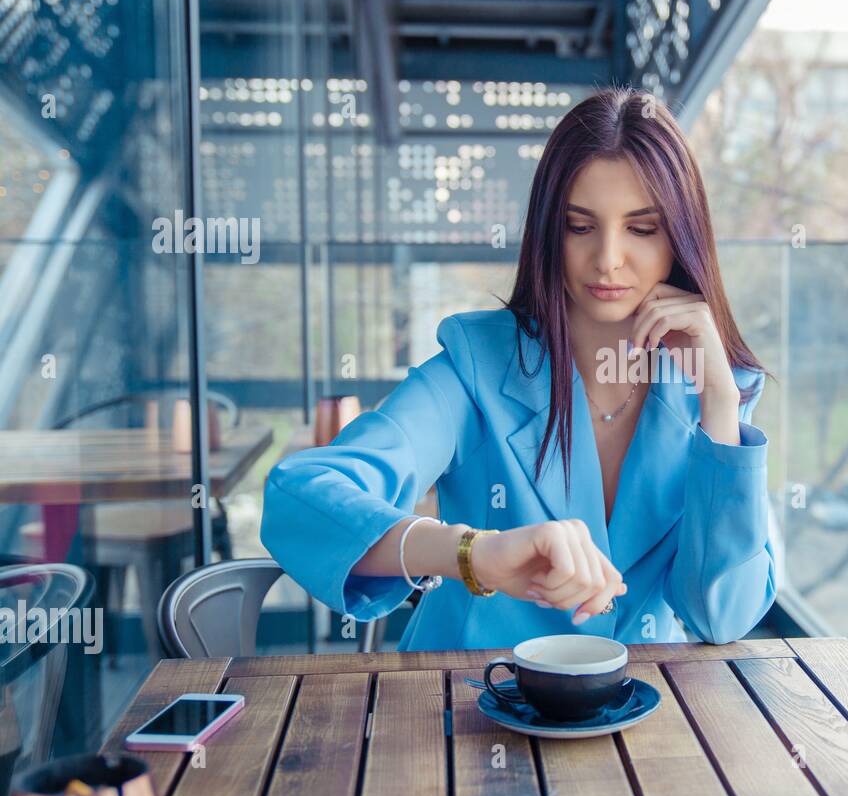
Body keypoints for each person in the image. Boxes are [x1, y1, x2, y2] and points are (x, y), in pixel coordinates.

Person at [260, 87, 776, 651]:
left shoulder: (710, 394)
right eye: (580, 226)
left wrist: (721, 408)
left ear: (680, 239)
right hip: (459, 708)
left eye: (641, 228)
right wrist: (472, 553)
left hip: (638, 718)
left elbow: (722, 617)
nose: (607, 258)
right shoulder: (477, 365)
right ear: (548, 234)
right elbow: (301, 495)